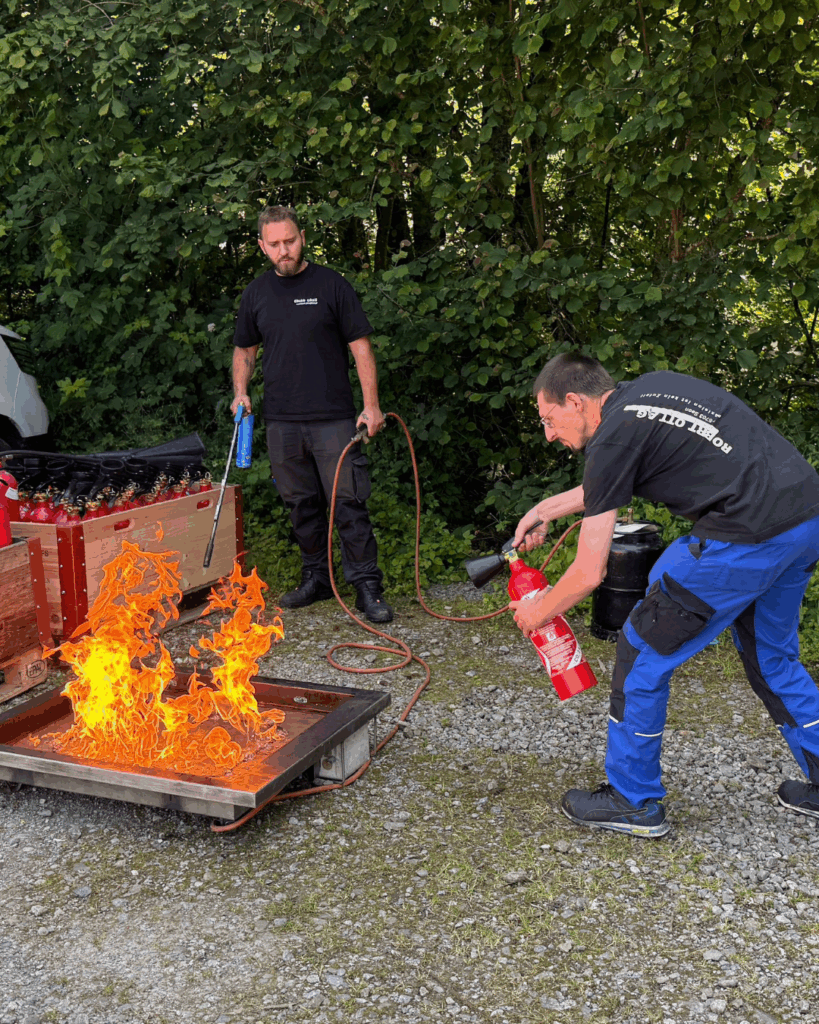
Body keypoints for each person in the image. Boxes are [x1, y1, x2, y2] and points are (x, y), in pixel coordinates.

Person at [510, 351, 819, 837]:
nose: (550, 434)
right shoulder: (647, 393)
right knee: (772, 656)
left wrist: (537, 613)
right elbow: (613, 479)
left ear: (575, 401)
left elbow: (589, 572)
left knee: (643, 647)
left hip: (747, 537)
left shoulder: (611, 438)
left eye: (550, 420)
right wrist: (549, 508)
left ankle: (634, 802)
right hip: (803, 517)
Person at [231, 206, 393, 623]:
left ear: (302, 237)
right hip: (281, 422)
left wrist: (371, 405)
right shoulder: (256, 293)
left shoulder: (331, 285)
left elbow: (361, 349)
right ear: (262, 246)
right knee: (300, 504)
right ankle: (317, 578)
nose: (284, 250)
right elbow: (244, 351)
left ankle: (366, 586)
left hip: (334, 418)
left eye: (290, 240)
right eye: (275, 244)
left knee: (348, 502)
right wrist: (241, 394)